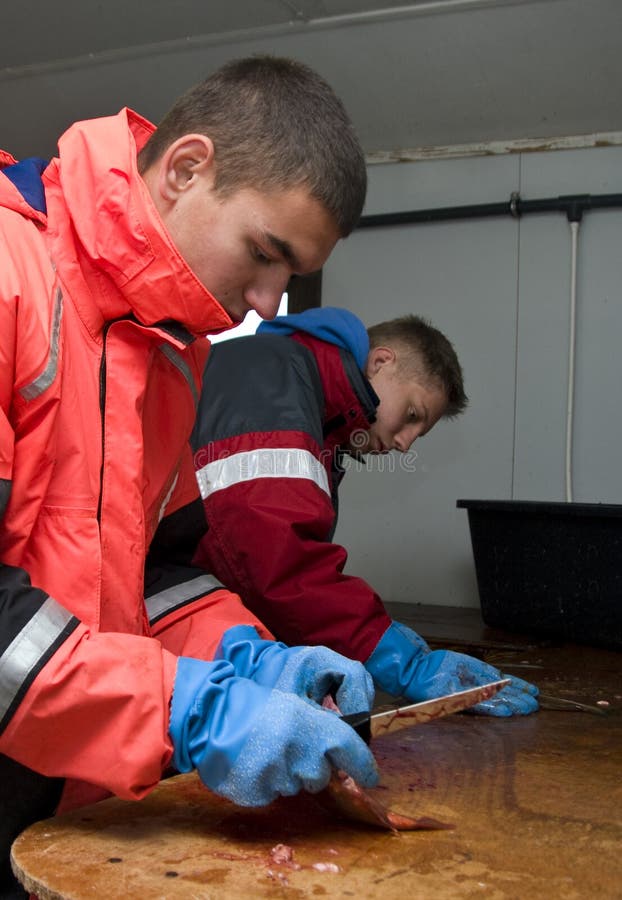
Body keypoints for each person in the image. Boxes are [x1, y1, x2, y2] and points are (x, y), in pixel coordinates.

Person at [0, 56, 378, 896]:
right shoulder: (9, 276)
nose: (272, 304)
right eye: (265, 254)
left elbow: (158, 573)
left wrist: (246, 657)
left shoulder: (172, 359)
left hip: (67, 789)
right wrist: (184, 707)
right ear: (184, 169)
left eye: (292, 274)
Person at [187, 307, 539, 715]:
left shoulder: (315, 421)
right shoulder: (273, 371)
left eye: (418, 434)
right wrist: (398, 658)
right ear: (381, 361)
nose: (405, 443)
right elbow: (271, 556)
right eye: (411, 416)